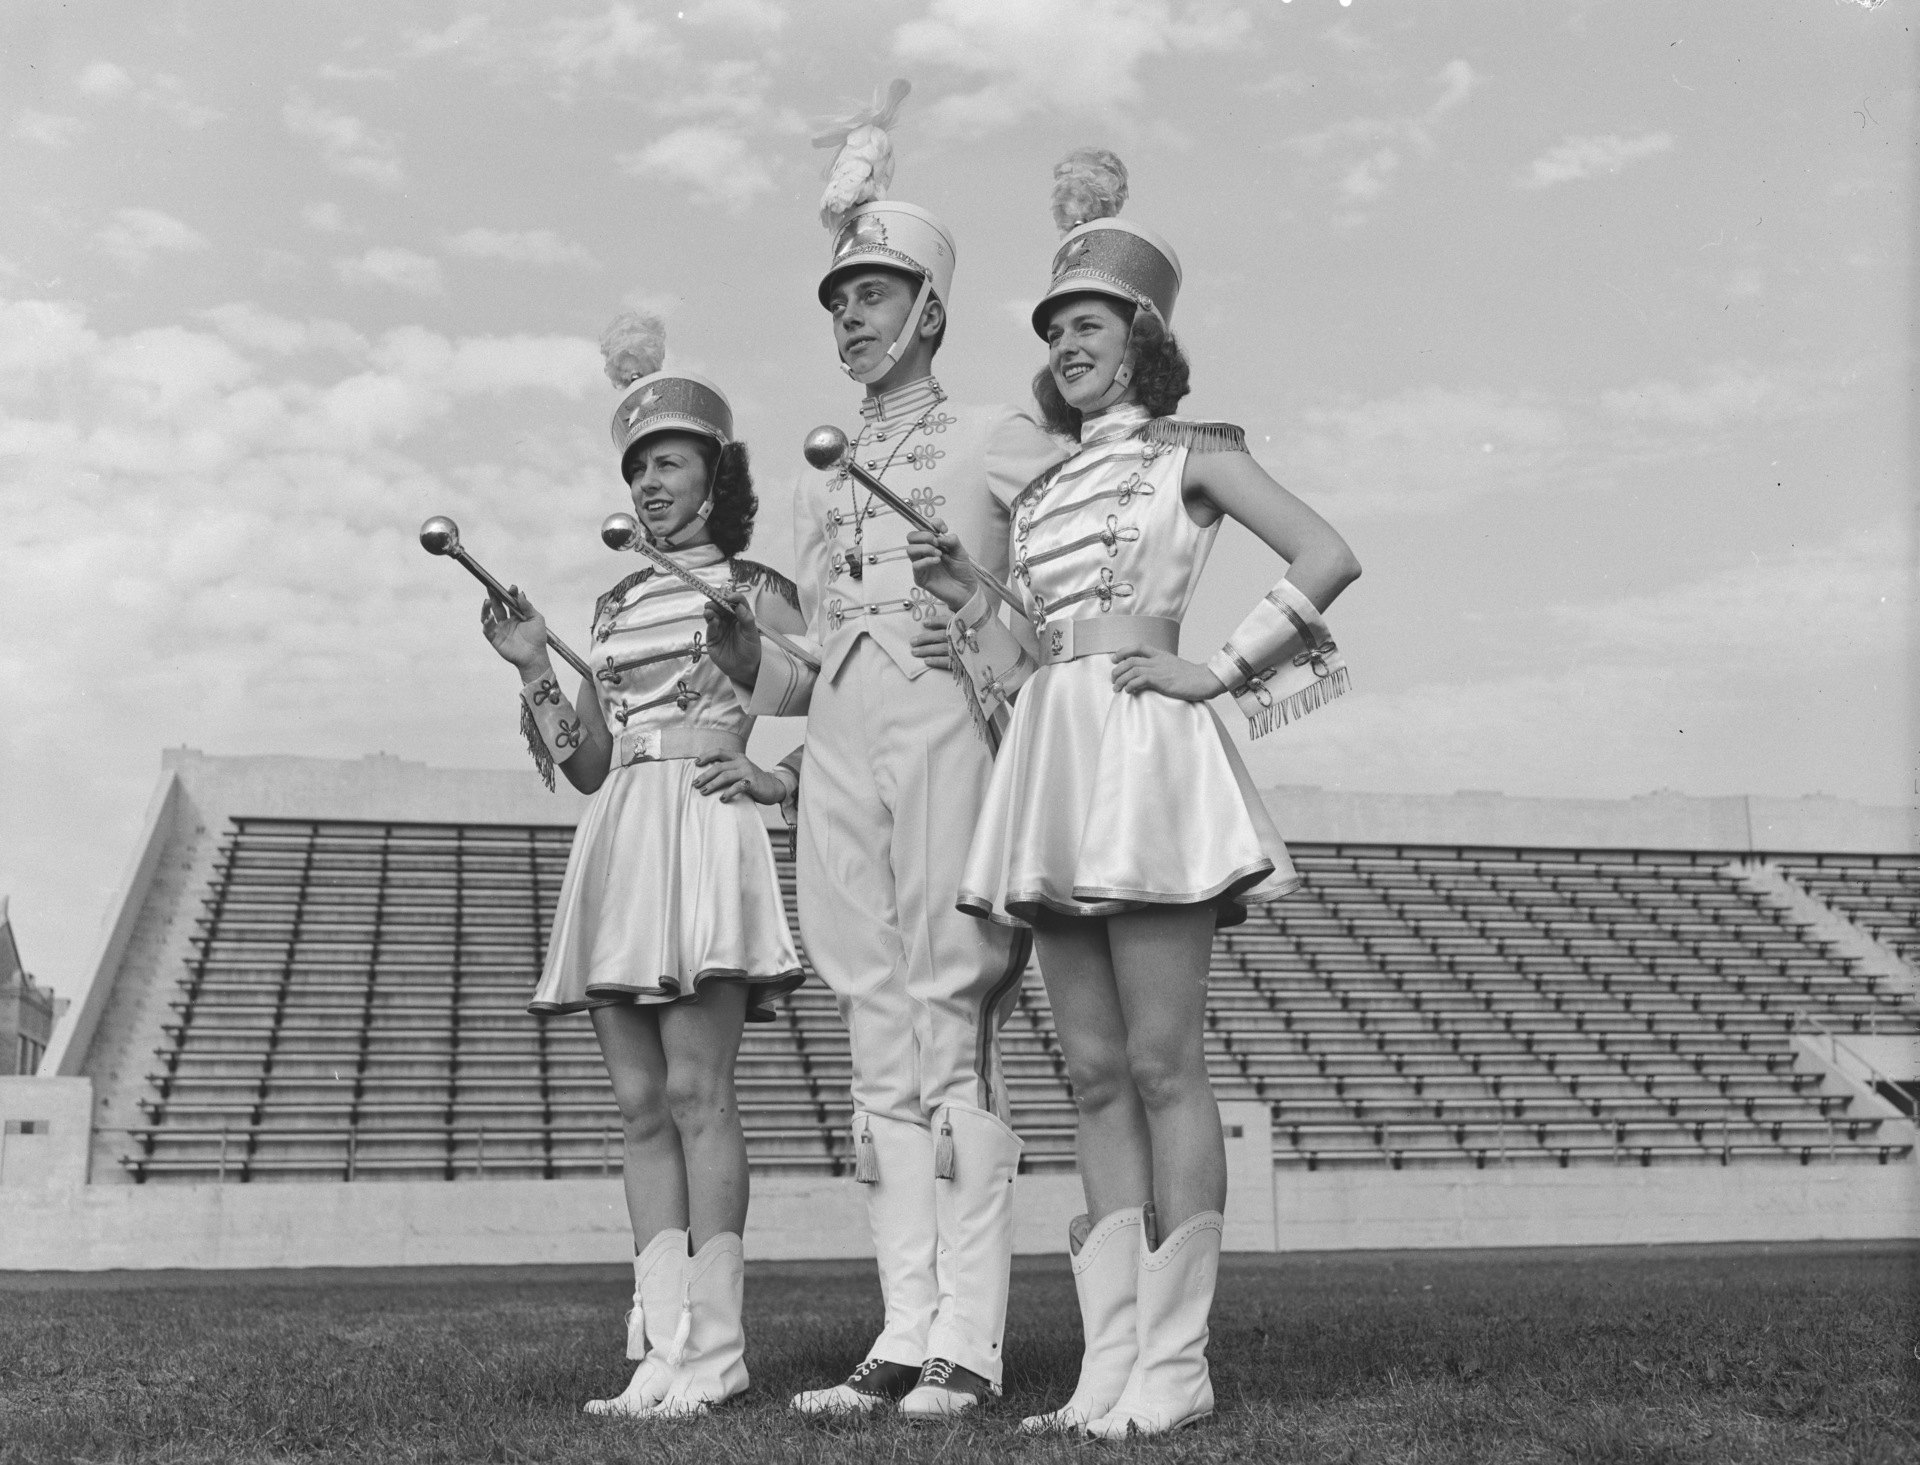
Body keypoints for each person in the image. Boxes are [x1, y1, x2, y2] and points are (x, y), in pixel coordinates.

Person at [907, 149, 1362, 1437]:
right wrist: (965, 604)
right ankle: (1108, 1363)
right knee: (1092, 1071)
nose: (1066, 345)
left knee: (1165, 1060)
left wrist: (1219, 670)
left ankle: (1178, 1359)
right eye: (1054, 329)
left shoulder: (1192, 457)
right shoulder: (1039, 490)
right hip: (1057, 754)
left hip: (1150, 755)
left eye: (1089, 323)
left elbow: (1328, 553)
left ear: (1144, 338)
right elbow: (1027, 661)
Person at [704, 83, 1067, 1419]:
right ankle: (902, 1329)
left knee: (952, 1019)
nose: (849, 317)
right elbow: (797, 674)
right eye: (838, 300)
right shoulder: (813, 477)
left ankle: (970, 1334)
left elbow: (1065, 589)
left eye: (871, 295)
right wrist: (744, 649)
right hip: (849, 754)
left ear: (930, 310)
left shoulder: (996, 439)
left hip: (953, 738)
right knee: (873, 1032)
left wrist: (986, 594)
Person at [485, 314, 806, 1419]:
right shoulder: (613, 604)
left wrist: (773, 769)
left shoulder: (756, 583)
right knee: (634, 1102)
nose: (651, 480)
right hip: (622, 828)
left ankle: (718, 1346)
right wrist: (533, 666)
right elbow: (584, 760)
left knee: (694, 1088)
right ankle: (663, 1345)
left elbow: (815, 695)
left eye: (668, 462)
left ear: (713, 480)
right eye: (638, 465)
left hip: (704, 824)